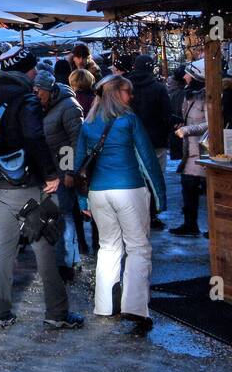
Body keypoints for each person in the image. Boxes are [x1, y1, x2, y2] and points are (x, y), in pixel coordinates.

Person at [0, 51, 82, 331]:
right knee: (45, 244)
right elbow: (34, 137)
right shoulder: (26, 99)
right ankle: (57, 314)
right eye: (33, 70)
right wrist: (50, 174)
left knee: (3, 246)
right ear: (27, 72)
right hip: (25, 184)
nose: (36, 74)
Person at [75, 74, 166, 335]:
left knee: (108, 248)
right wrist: (159, 197)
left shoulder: (88, 123)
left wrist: (83, 199)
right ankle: (135, 307)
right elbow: (147, 159)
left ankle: (104, 306)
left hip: (98, 193)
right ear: (116, 94)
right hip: (128, 188)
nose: (132, 96)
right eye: (128, 91)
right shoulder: (129, 121)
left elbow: (79, 165)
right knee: (138, 248)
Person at [34, 70, 85, 282]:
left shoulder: (69, 106)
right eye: (34, 90)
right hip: (48, 171)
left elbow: (76, 140)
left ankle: (67, 263)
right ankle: (62, 260)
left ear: (50, 90)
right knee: (54, 217)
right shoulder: (43, 106)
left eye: (39, 91)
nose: (36, 94)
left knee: (64, 216)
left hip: (63, 171)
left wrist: (70, 172)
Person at [128, 54, 175, 231]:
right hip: (155, 140)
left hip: (131, 140)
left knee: (135, 178)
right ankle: (152, 214)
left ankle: (136, 214)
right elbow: (166, 114)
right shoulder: (158, 88)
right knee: (154, 178)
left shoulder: (125, 86)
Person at [172, 59, 209, 237]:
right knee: (188, 187)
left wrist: (186, 130)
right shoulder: (191, 96)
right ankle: (189, 224)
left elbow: (211, 124)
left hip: (204, 150)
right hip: (191, 151)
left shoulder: (206, 97)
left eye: (188, 74)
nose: (185, 77)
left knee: (206, 190)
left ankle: (212, 227)